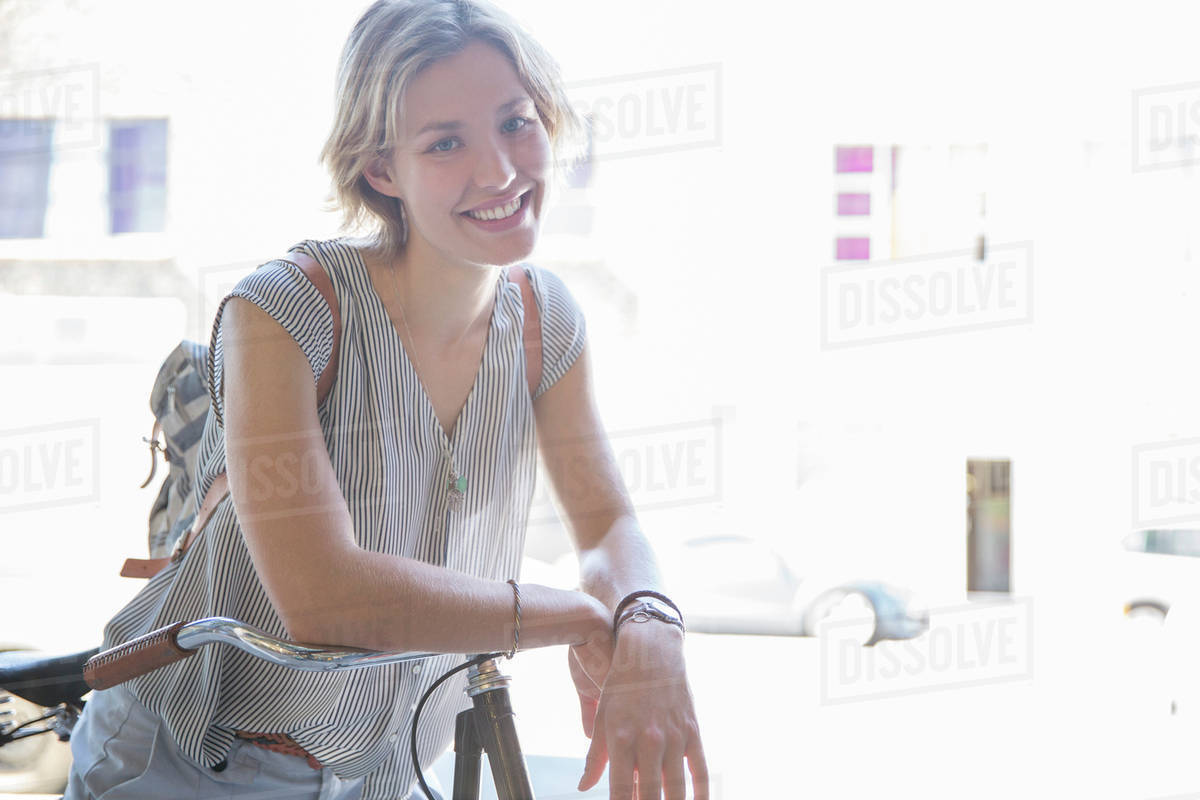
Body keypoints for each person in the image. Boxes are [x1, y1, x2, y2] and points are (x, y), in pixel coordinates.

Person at [63, 1, 707, 799]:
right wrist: (574, 616)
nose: (500, 172)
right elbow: (326, 598)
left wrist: (648, 619)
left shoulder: (547, 319)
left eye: (516, 122)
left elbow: (607, 523)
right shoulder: (283, 310)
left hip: (382, 769)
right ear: (380, 170)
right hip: (192, 758)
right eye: (445, 143)